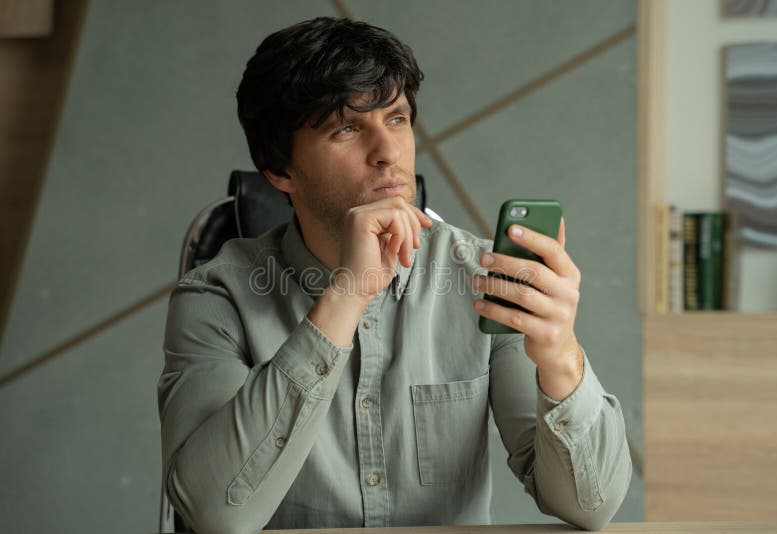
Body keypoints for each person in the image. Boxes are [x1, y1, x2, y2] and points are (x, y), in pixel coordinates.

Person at [158, 16, 632, 534]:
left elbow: (592, 505)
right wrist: (346, 296)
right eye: (346, 128)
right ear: (278, 169)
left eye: (398, 119)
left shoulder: (483, 279)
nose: (388, 151)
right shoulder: (215, 298)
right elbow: (214, 512)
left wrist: (561, 359)